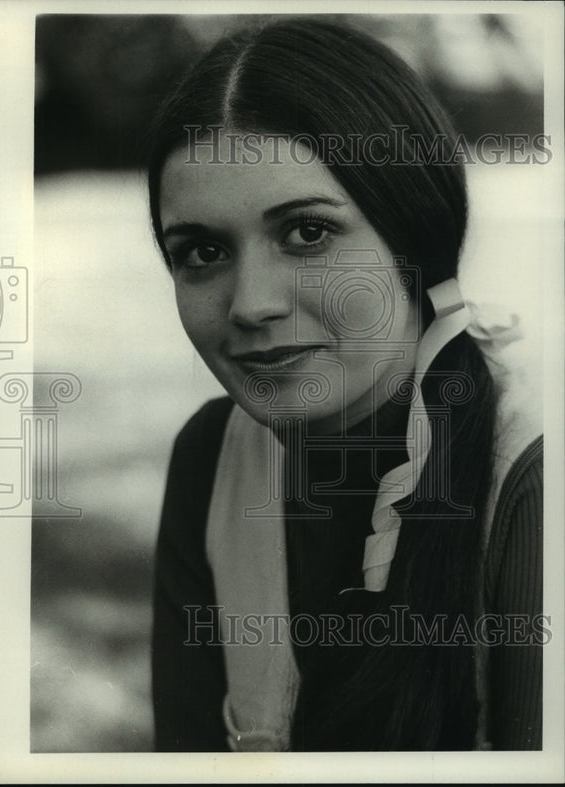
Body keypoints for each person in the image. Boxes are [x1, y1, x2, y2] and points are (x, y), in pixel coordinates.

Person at [148, 19, 543, 752]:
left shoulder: (532, 476)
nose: (250, 303)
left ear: (414, 236)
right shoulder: (212, 459)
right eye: (202, 251)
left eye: (306, 233)